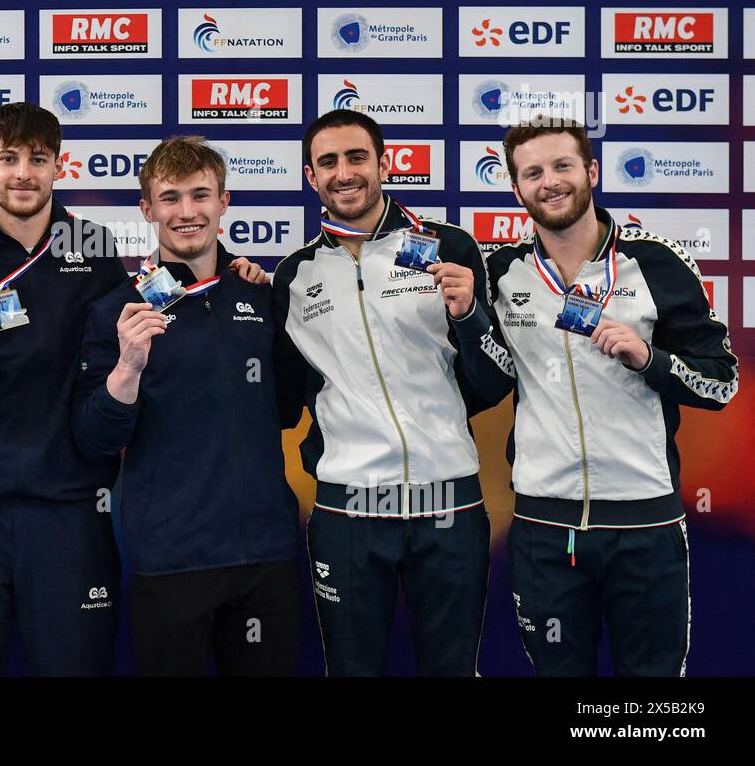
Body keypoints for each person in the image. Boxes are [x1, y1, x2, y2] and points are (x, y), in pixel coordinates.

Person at [0, 102, 264, 675]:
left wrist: (238, 268)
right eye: (8, 158)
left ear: (59, 166)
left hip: (71, 509)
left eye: (38, 159)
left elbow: (173, 286)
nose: (22, 173)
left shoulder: (94, 252)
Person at [489, 119, 737, 676]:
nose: (549, 182)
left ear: (591, 172)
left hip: (644, 528)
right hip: (545, 531)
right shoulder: (501, 274)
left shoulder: (658, 263)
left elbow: (721, 383)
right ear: (516, 190)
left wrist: (651, 360)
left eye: (562, 166)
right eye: (532, 173)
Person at [273, 109, 515, 676]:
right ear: (312, 177)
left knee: (451, 668)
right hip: (347, 509)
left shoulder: (448, 246)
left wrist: (472, 316)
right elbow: (286, 398)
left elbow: (496, 379)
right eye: (328, 162)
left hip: (448, 504)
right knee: (353, 669)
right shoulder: (294, 274)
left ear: (384, 163)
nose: (344, 173)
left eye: (357, 157)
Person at [74, 136, 300, 676]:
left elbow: (286, 410)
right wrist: (126, 368)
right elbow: (94, 439)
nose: (187, 212)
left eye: (201, 195)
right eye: (170, 198)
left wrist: (272, 302)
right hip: (171, 558)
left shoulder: (259, 296)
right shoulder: (118, 309)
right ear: (147, 209)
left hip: (266, 553)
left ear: (224, 203)